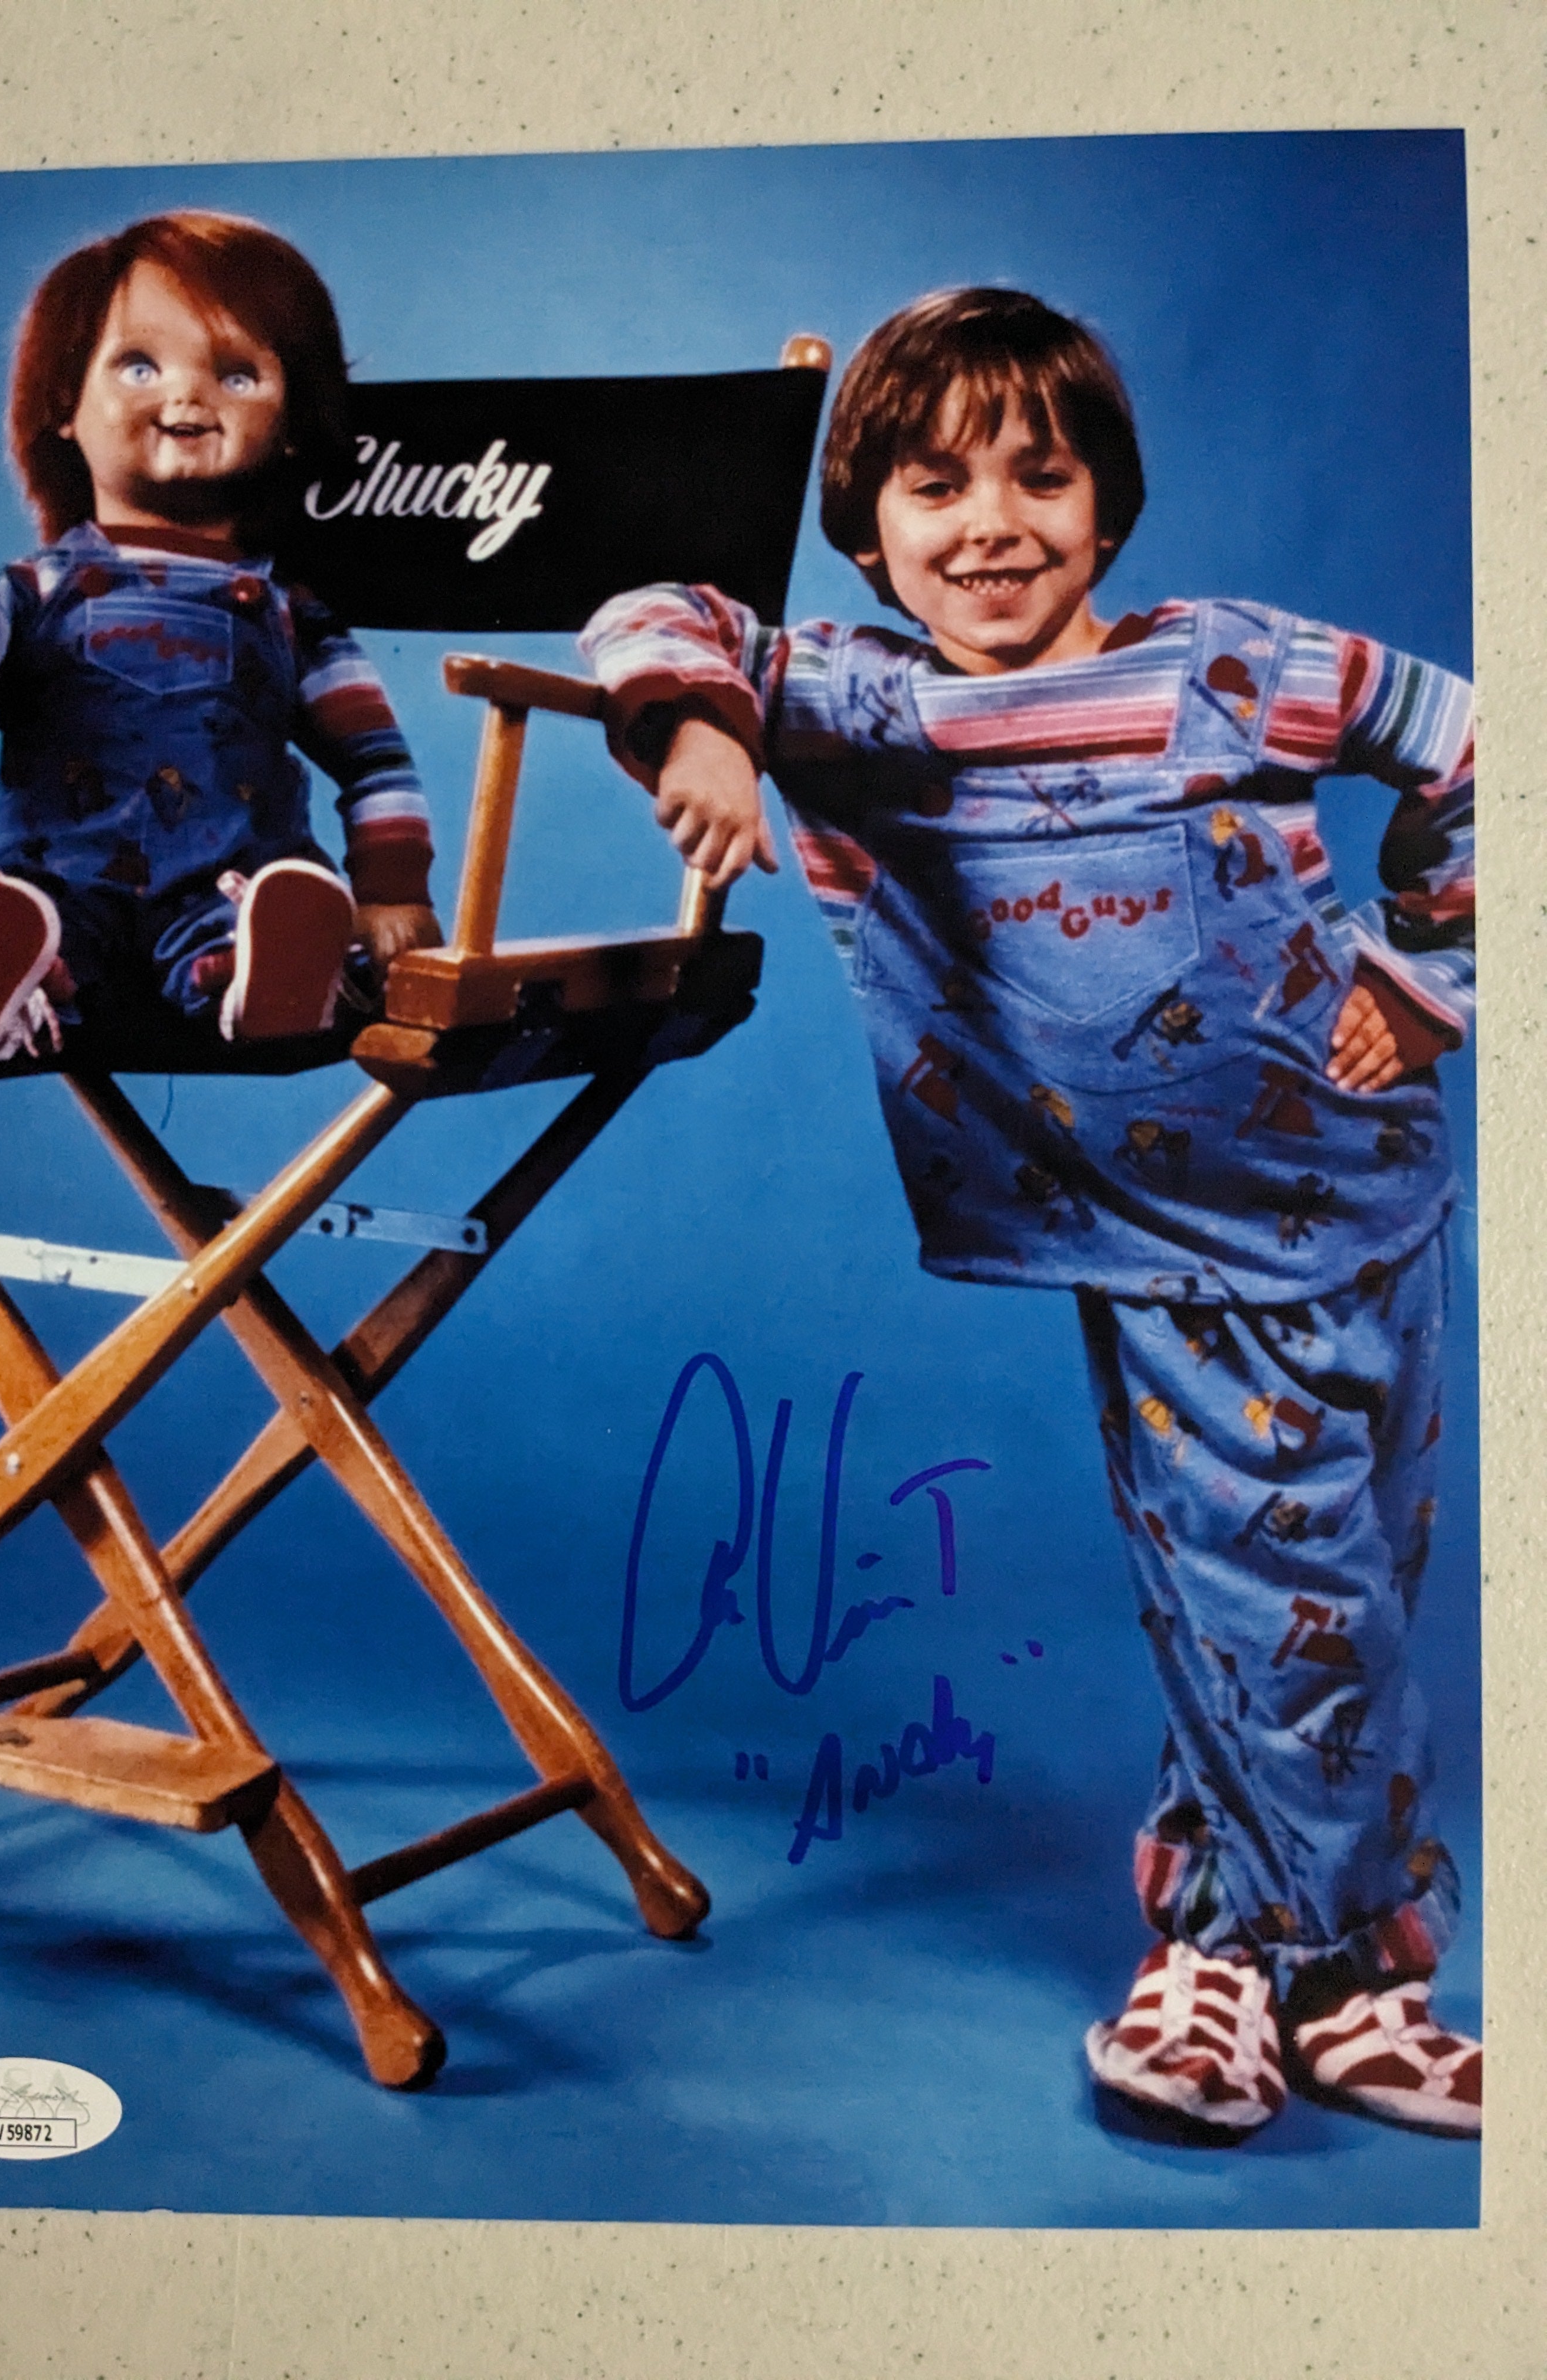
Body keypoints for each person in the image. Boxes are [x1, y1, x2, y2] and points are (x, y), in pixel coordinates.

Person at [580, 286, 1479, 2140]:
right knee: (1276, 1590)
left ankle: (1262, 1943)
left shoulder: (1234, 664)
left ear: (1108, 507)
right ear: (867, 526)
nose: (991, 524)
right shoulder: (858, 700)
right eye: (935, 486)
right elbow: (654, 611)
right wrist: (703, 735)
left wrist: (1430, 976)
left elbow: (1482, 743)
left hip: (1377, 1193)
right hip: (1167, 1251)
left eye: (1039, 478)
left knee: (1341, 1603)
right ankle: (1307, 1973)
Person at [0, 209, 440, 1077]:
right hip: (59, 875)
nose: (188, 394)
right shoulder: (38, 592)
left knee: (248, 919)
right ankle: (6, 974)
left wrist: (392, 890)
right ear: (65, 407)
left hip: (229, 880)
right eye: (140, 365)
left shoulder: (292, 615)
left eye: (237, 374)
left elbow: (375, 759)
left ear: (290, 427)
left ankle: (262, 975)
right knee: (37, 918)